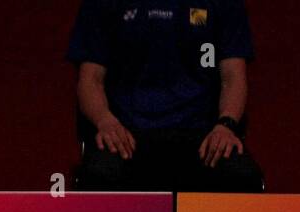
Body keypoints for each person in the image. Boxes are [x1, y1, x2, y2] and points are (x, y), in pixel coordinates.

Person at [68, 0, 264, 192]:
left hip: (203, 135)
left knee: (242, 176)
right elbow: (90, 79)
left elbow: (233, 77)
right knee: (98, 174)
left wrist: (226, 125)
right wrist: (105, 121)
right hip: (125, 134)